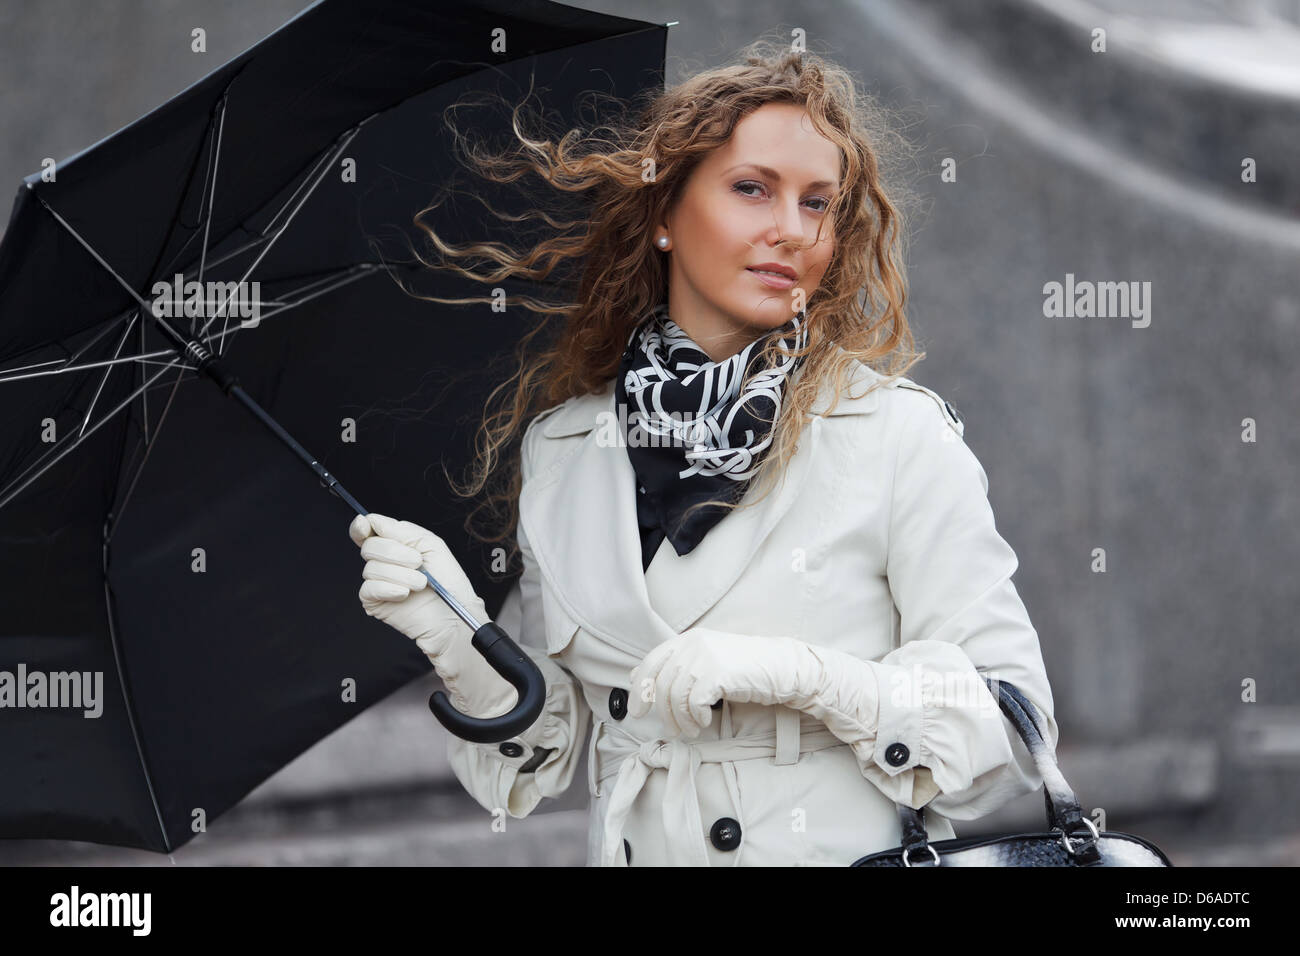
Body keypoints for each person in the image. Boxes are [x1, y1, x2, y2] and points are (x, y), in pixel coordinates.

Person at [348, 40, 1057, 866]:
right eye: (752, 189)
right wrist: (458, 635)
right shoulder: (568, 448)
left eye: (818, 202)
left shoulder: (895, 436)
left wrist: (804, 677)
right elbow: (532, 763)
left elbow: (1016, 731)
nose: (791, 231)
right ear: (662, 216)